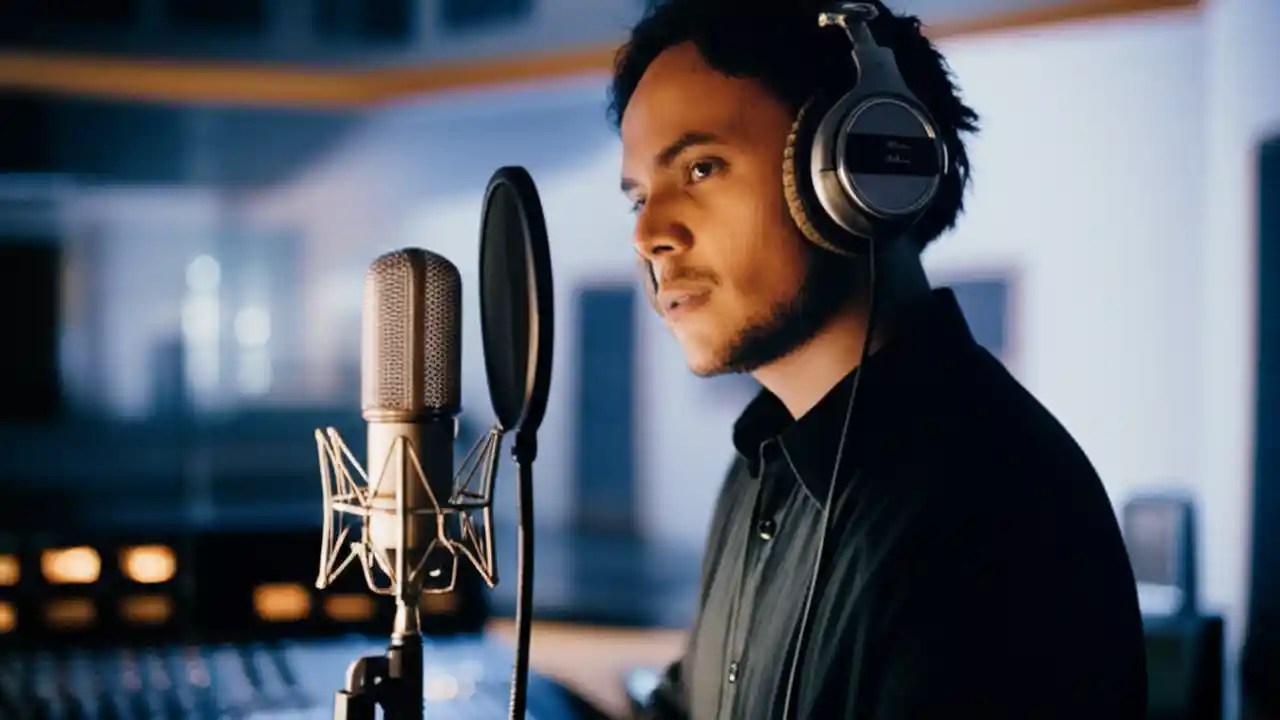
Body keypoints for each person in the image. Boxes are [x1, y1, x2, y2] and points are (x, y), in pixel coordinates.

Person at [610, 0, 1148, 717]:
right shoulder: (760, 472)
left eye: (702, 169)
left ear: (862, 173)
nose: (649, 233)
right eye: (640, 196)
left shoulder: (992, 511)